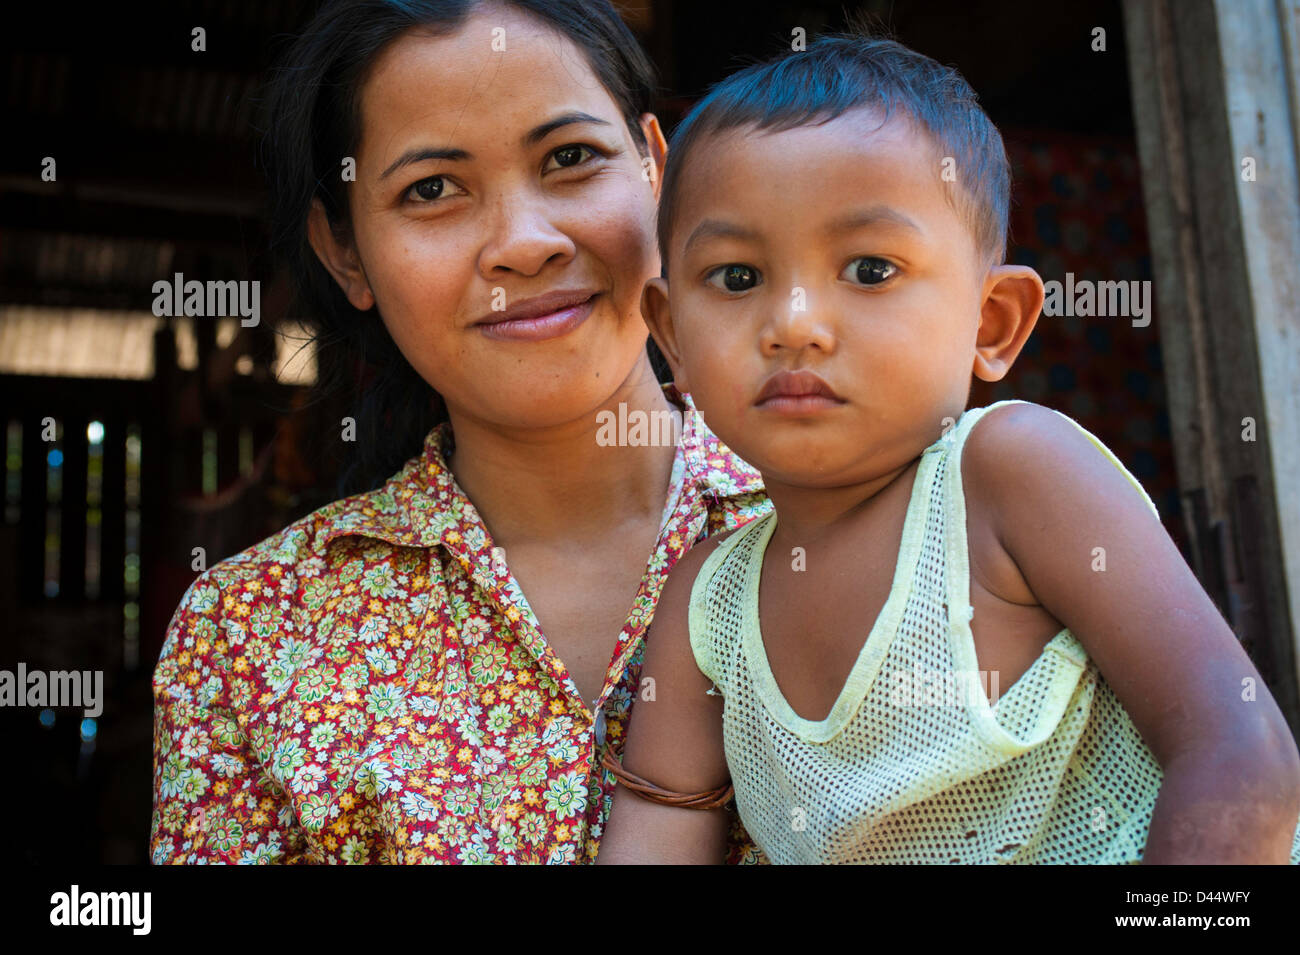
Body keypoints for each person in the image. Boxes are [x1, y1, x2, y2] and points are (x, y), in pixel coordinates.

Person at [597, 31, 1300, 864]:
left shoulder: (1007, 478)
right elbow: (659, 834)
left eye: (868, 270)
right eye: (738, 278)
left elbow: (1241, 752)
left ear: (991, 323)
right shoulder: (705, 609)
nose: (793, 324)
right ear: (672, 338)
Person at [149, 0, 772, 864]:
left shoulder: (901, 525)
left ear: (655, 169)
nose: (523, 244)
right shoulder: (248, 635)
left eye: (570, 158)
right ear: (346, 253)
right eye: (431, 189)